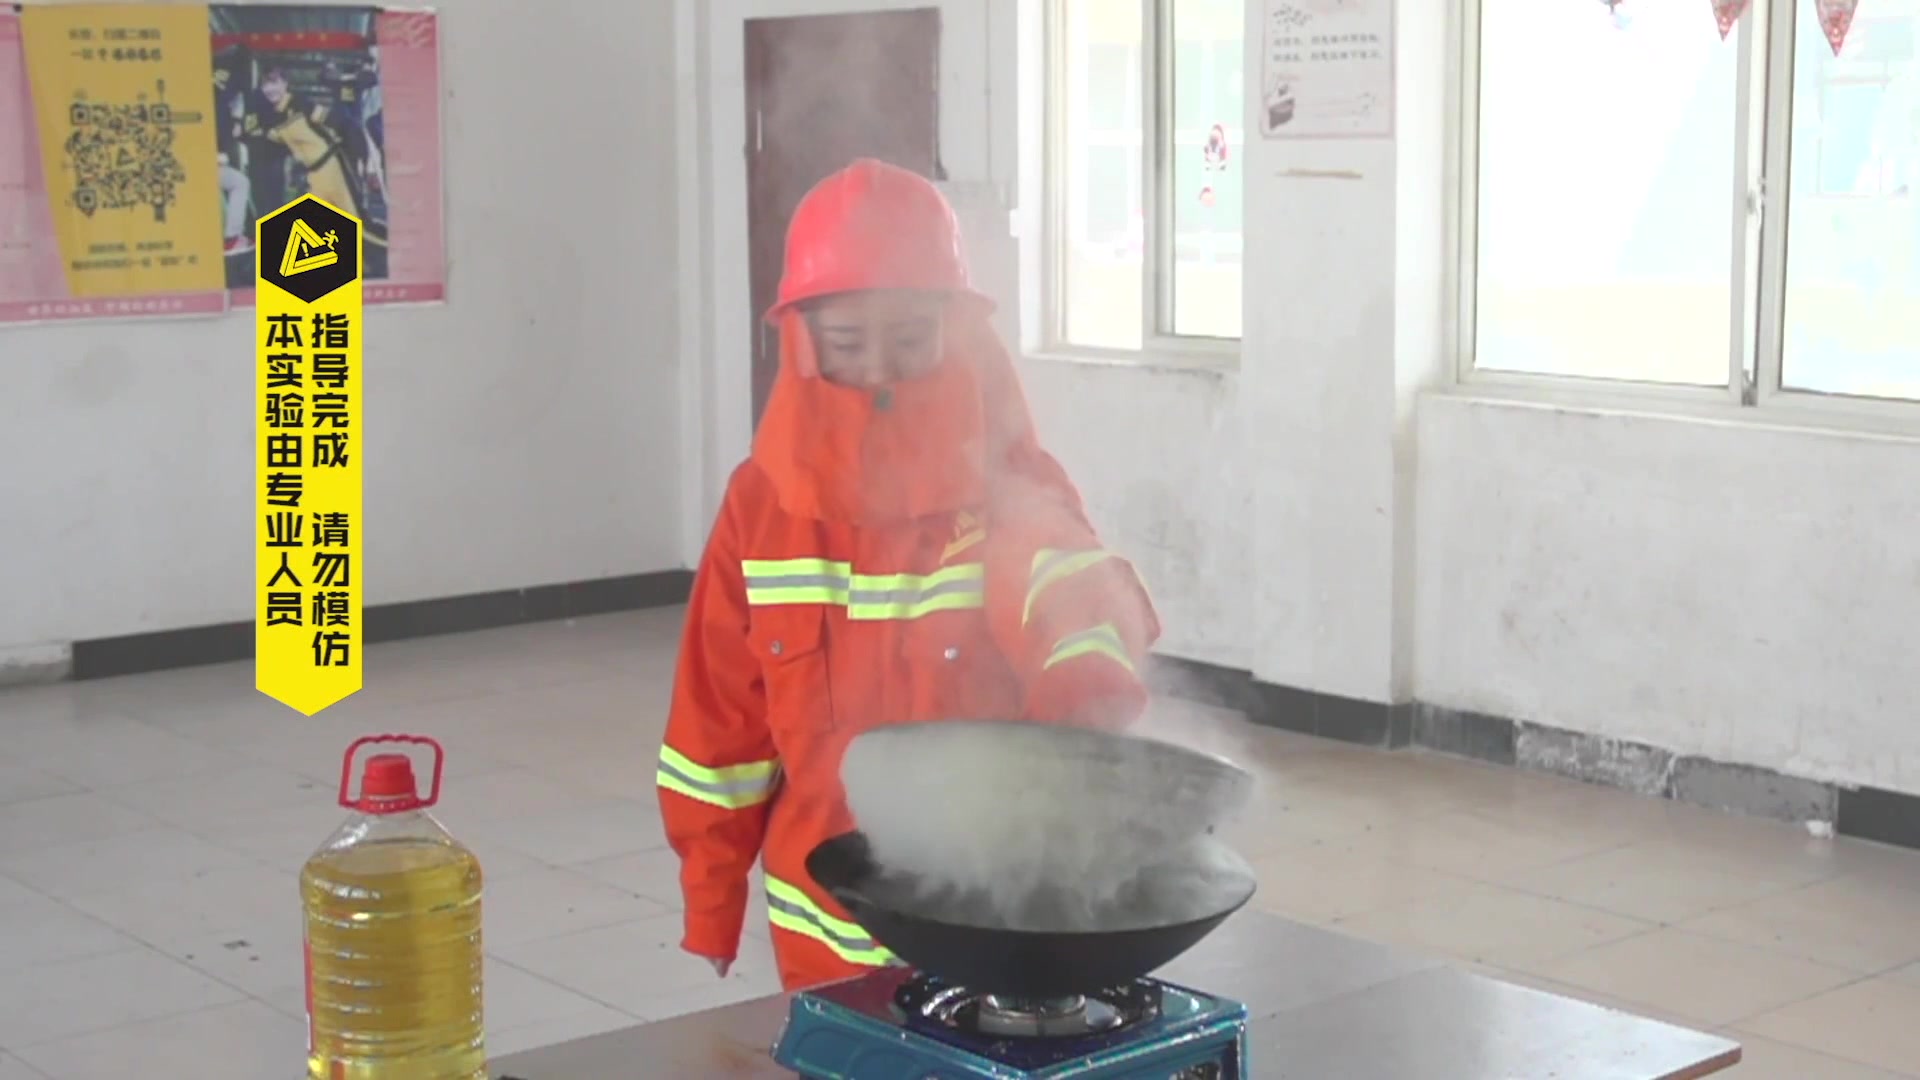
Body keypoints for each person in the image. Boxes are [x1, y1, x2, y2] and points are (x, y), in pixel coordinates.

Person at [656, 159, 1162, 992]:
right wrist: (710, 899)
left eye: (909, 340)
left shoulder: (1008, 484)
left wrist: (1086, 690)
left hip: (984, 922)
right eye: (849, 344)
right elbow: (716, 733)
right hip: (820, 940)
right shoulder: (761, 507)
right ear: (800, 341)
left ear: (958, 334)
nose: (880, 371)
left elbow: (1071, 593)